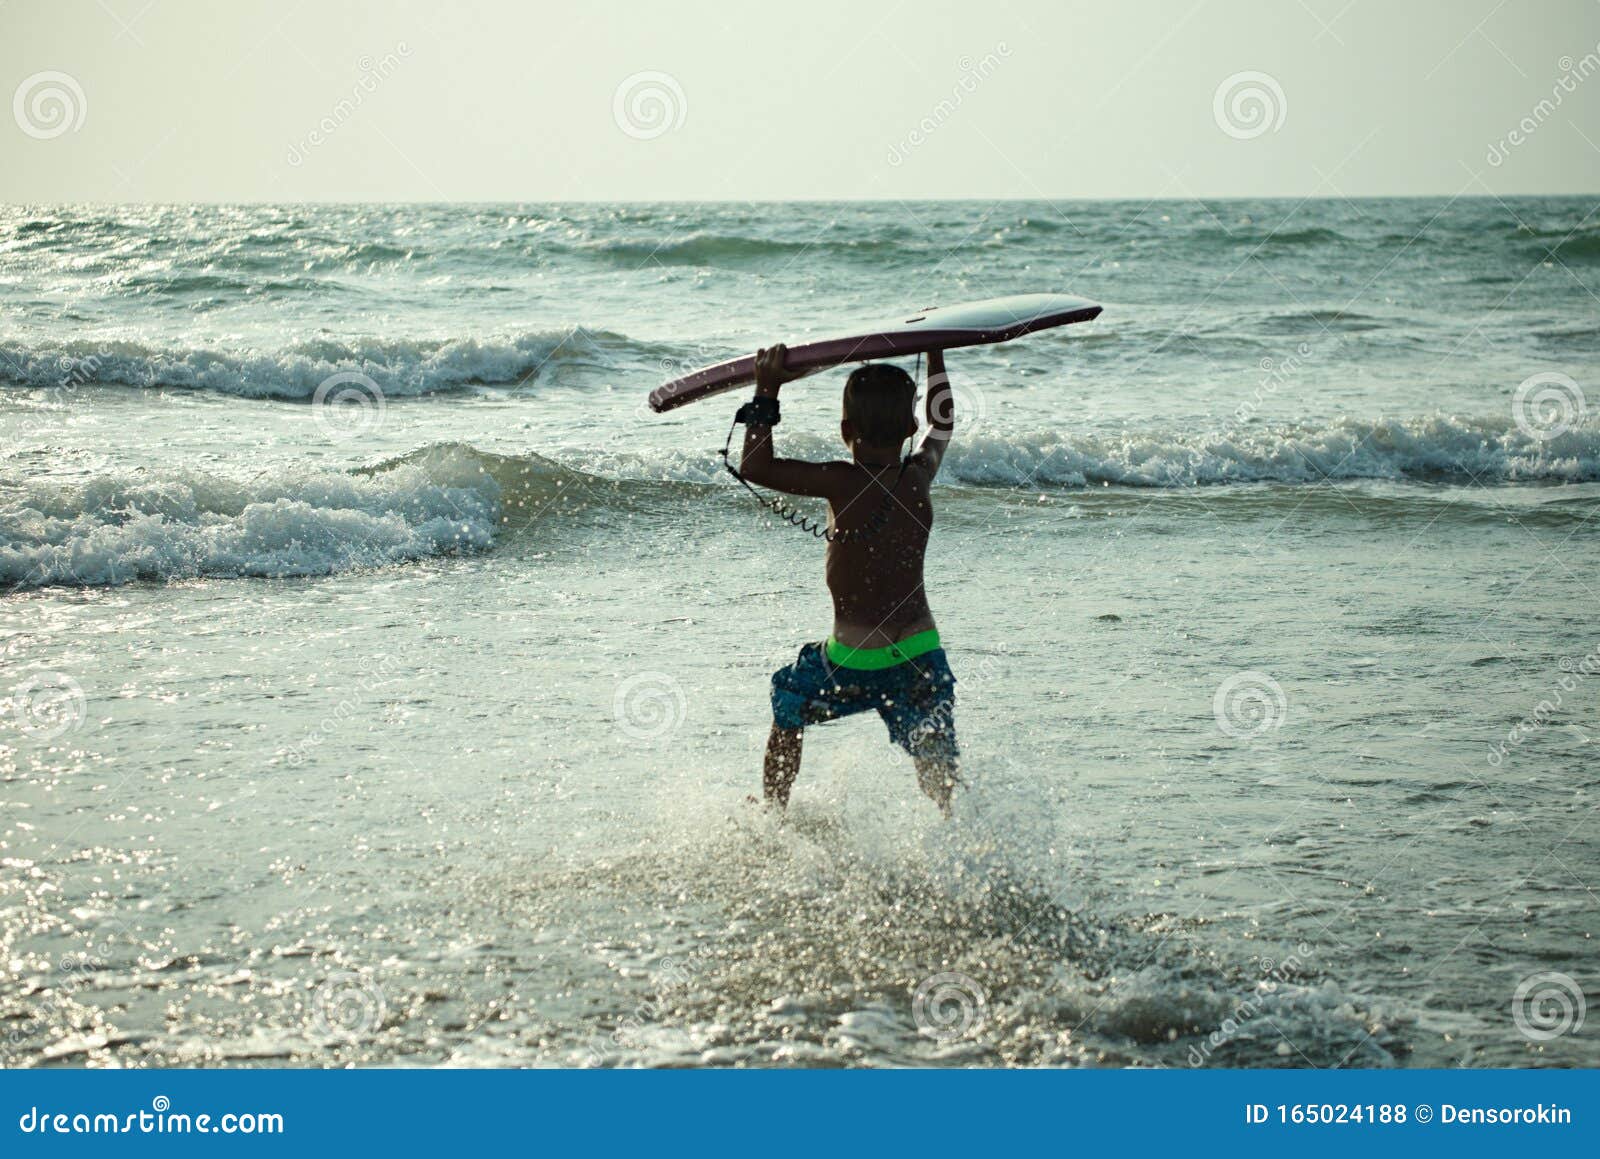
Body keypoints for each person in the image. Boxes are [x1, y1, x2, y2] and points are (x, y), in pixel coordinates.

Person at [735, 343, 959, 816]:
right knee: (934, 758)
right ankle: (959, 826)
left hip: (853, 658)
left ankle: (774, 813)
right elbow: (943, 425)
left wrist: (767, 388)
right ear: (909, 427)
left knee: (789, 703)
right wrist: (936, 352)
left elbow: (755, 466)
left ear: (845, 430)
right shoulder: (919, 474)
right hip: (921, 651)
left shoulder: (840, 481)